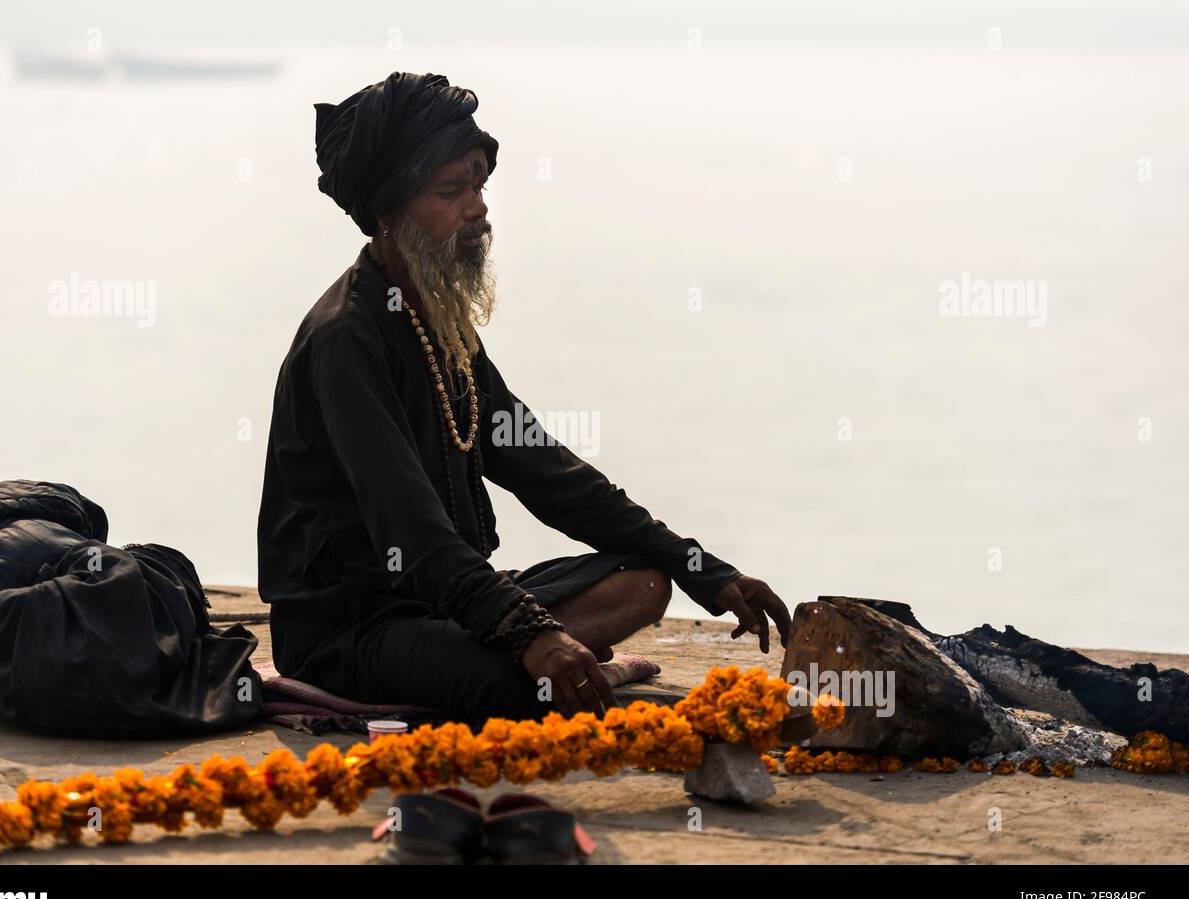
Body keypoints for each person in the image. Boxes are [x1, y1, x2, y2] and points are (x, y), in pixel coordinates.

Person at [257, 71, 790, 723]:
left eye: (478, 184)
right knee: (517, 687)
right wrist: (532, 634)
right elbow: (414, 534)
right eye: (451, 191)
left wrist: (703, 567)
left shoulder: (437, 319)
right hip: (351, 632)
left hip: (444, 605)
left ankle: (533, 654)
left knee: (646, 579)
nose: (477, 208)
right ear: (390, 211)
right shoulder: (346, 340)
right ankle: (530, 660)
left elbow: (548, 471)